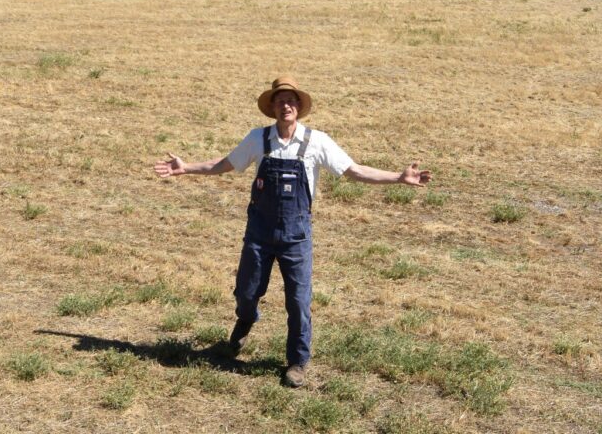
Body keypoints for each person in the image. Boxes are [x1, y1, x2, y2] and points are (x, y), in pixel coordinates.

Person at [153, 77, 430, 388]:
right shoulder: (257, 139)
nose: (286, 105)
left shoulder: (318, 142)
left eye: (291, 100)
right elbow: (226, 164)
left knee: (298, 301)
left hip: (296, 236)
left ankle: (297, 361)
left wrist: (398, 177)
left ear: (299, 107)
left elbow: (354, 171)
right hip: (259, 232)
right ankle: (245, 320)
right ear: (271, 107)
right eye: (279, 100)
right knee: (246, 292)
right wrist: (186, 167)